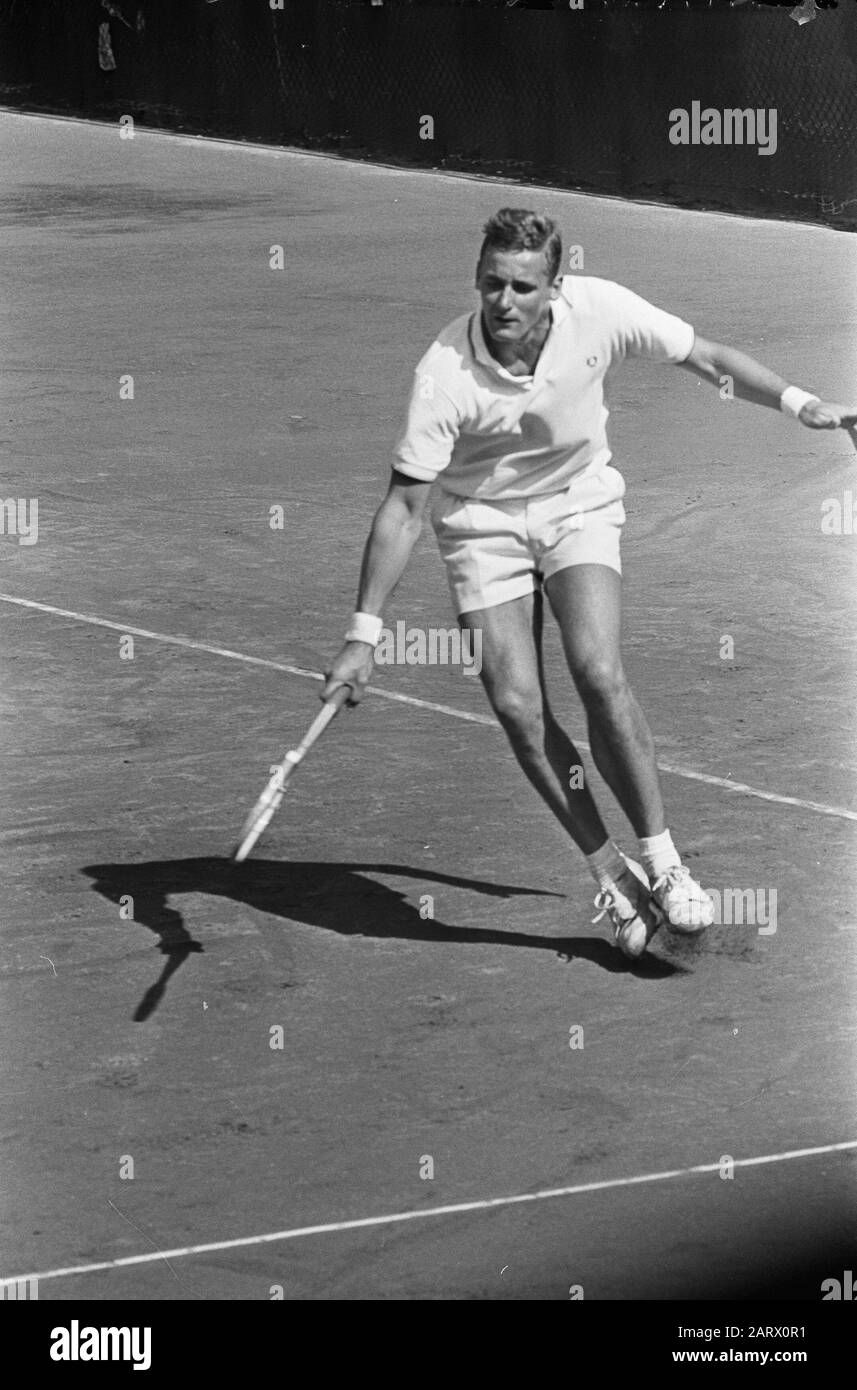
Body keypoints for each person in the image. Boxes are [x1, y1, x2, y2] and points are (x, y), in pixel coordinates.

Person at [322, 208, 856, 957]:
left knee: (597, 672)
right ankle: (613, 875)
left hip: (577, 506)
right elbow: (405, 508)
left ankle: (665, 866)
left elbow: (703, 357)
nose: (502, 303)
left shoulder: (600, 311)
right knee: (514, 704)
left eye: (520, 286)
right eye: (489, 284)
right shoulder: (442, 373)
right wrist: (363, 635)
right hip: (480, 526)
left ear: (556, 283)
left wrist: (802, 405)